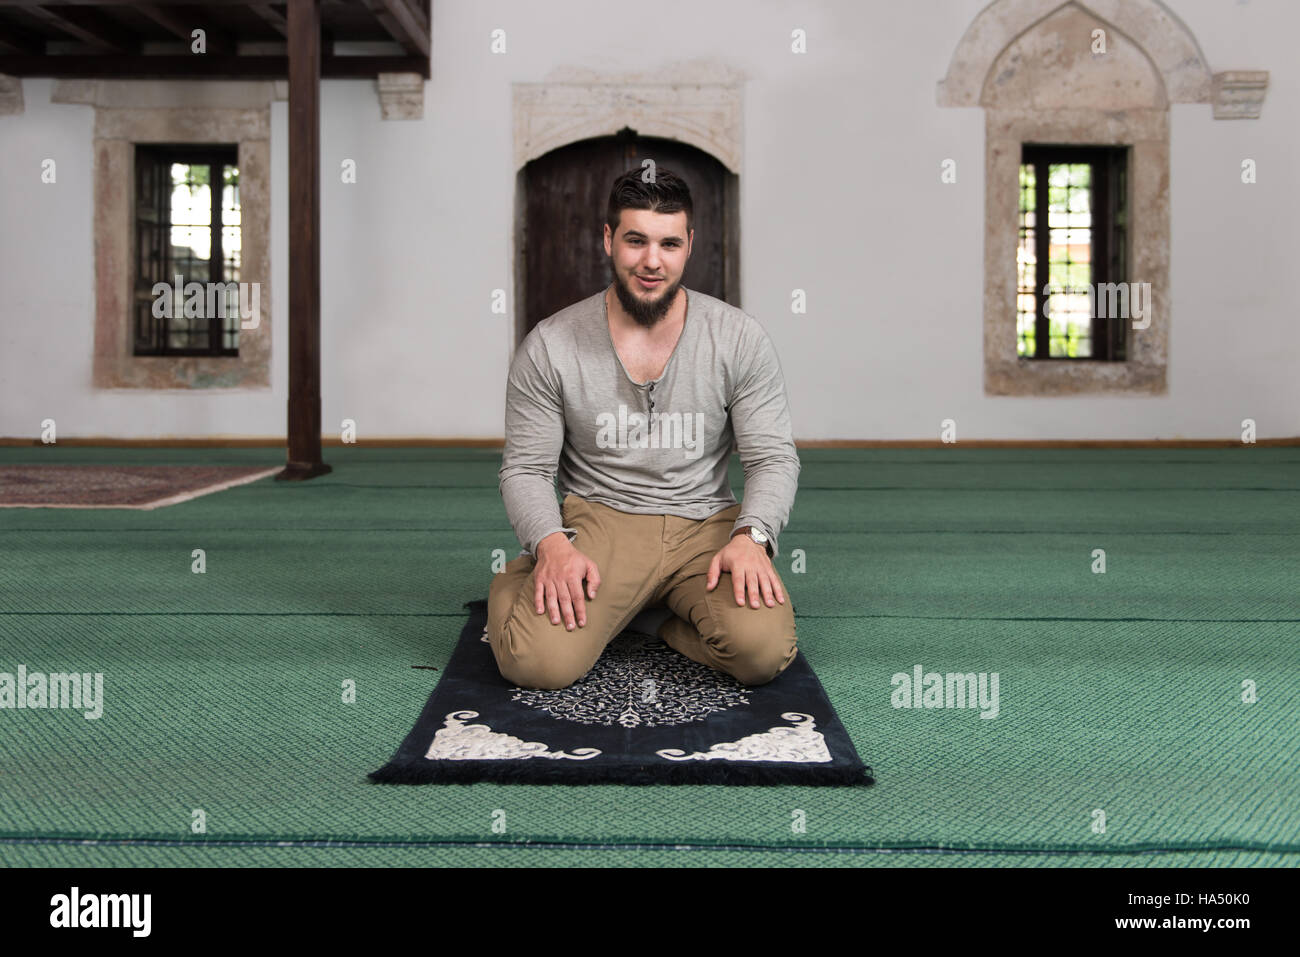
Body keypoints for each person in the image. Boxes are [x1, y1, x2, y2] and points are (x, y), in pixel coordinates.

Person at [488, 167, 800, 690]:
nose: (652, 261)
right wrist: (552, 545)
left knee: (762, 653)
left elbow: (772, 458)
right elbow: (526, 468)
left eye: (669, 243)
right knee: (537, 664)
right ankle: (520, 578)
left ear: (689, 245)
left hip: (705, 523)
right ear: (609, 239)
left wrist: (753, 536)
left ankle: (651, 620)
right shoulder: (550, 344)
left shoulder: (739, 338)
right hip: (600, 521)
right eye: (635, 240)